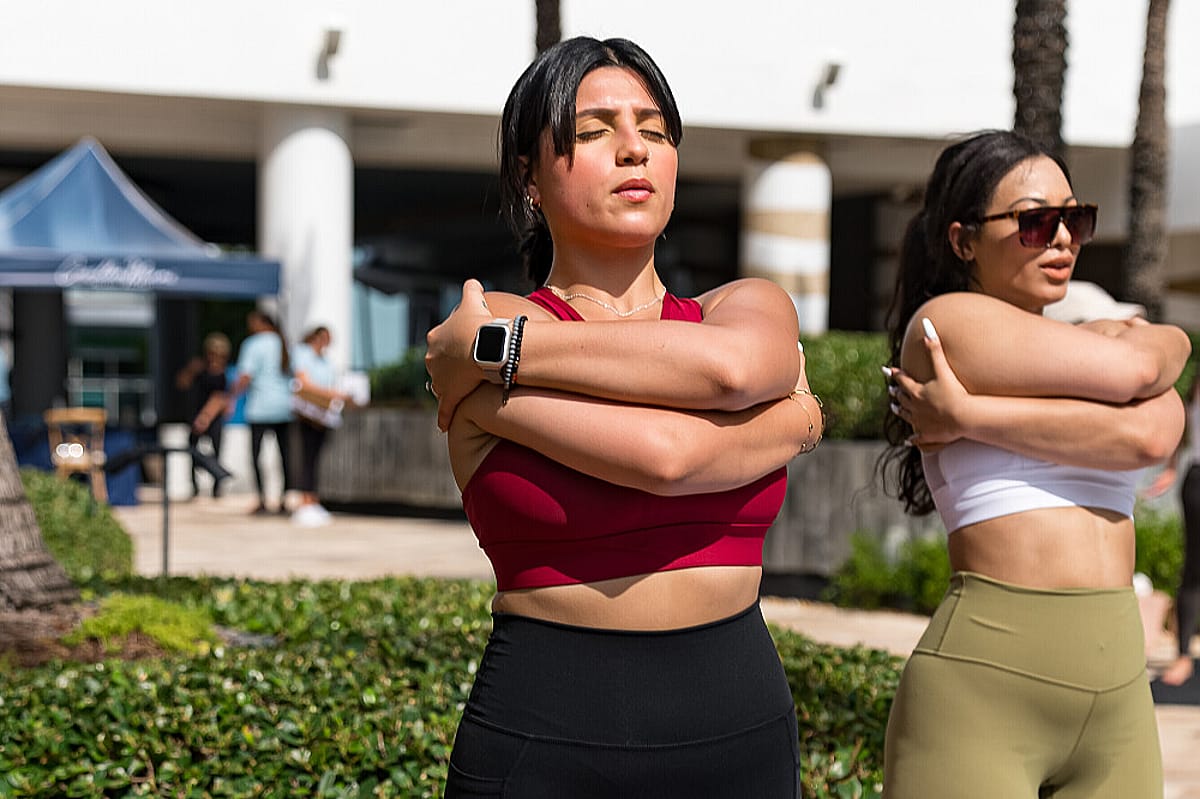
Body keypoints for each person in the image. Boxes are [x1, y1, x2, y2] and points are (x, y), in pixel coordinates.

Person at [424, 36, 822, 798]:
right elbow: (667, 455)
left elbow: (729, 367)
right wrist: (795, 416)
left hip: (740, 728)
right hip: (547, 730)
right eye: (594, 129)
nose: (634, 148)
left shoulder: (746, 306)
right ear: (530, 178)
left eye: (655, 129)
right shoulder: (503, 312)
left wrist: (496, 353)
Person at [880, 129, 1189, 797]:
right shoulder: (945, 325)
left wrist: (970, 416)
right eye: (1035, 222)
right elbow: (1145, 370)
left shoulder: (1082, 340)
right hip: (982, 693)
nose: (1063, 240)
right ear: (962, 240)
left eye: (1075, 219)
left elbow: (1154, 430)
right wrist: (1136, 357)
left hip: (1119, 701)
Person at [1144, 370, 1200, 686]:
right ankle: (1183, 656)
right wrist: (1170, 468)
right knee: (1193, 570)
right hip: (1197, 480)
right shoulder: (1193, 387)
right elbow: (1182, 425)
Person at [231, 310, 293, 515]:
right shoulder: (283, 343)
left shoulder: (253, 344)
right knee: (285, 456)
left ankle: (263, 499)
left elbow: (245, 376)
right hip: (284, 408)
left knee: (256, 456)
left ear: (259, 323)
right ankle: (284, 500)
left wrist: (230, 397)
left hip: (260, 408)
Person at [289, 325, 351, 527]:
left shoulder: (326, 361)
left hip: (323, 416)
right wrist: (330, 395)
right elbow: (303, 383)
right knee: (305, 457)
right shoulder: (303, 354)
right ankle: (304, 500)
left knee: (315, 458)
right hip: (306, 413)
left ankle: (313, 499)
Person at [175, 332, 232, 498]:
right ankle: (194, 485)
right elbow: (181, 383)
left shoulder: (222, 375)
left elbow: (219, 398)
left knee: (216, 451)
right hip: (196, 413)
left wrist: (205, 417)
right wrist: (190, 370)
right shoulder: (200, 369)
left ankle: (217, 486)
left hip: (211, 417)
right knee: (192, 450)